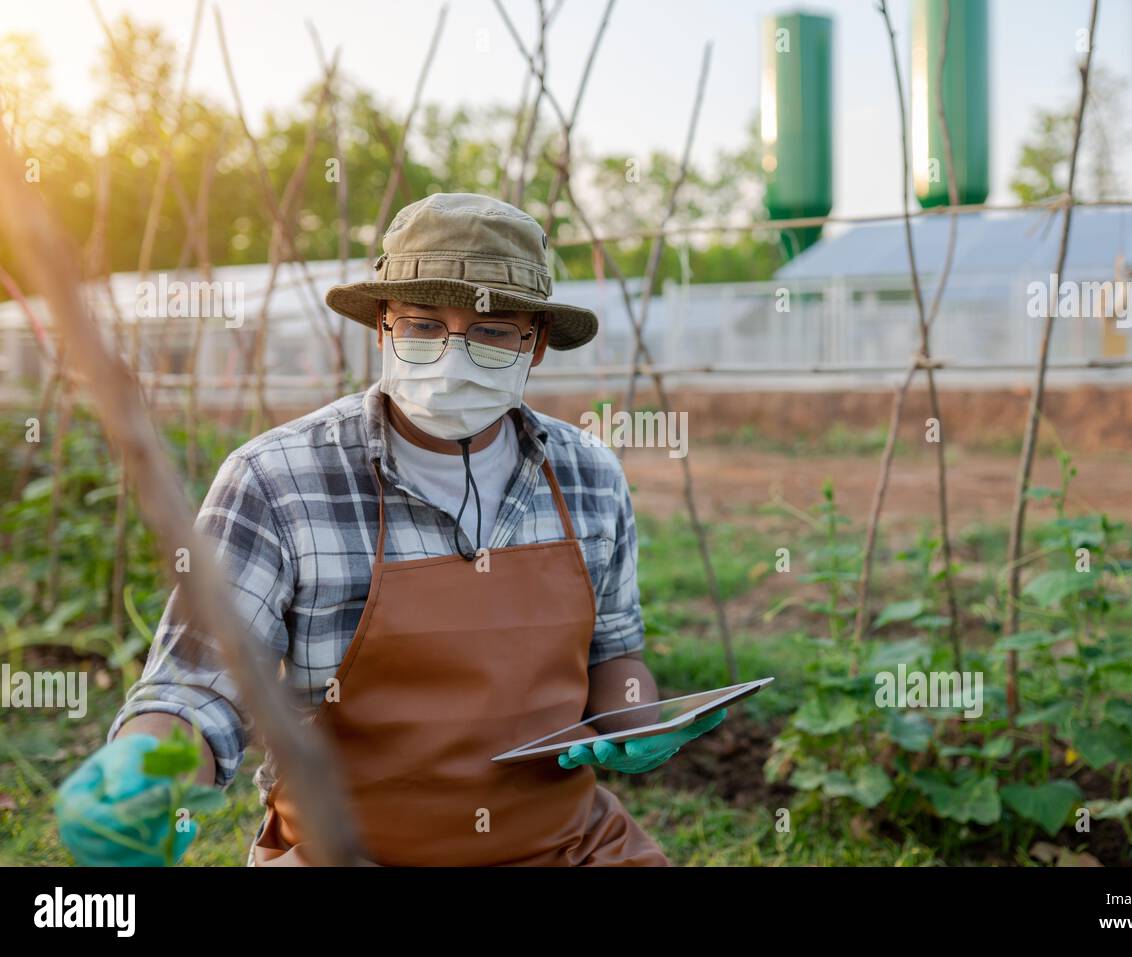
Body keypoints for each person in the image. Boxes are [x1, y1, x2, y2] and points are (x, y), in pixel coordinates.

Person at [55, 193, 726, 866]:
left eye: (491, 333)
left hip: (567, 846)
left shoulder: (588, 475)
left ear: (537, 345)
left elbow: (615, 653)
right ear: (381, 328)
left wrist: (639, 719)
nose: (451, 358)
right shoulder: (278, 478)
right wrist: (149, 767)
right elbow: (198, 683)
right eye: (423, 325)